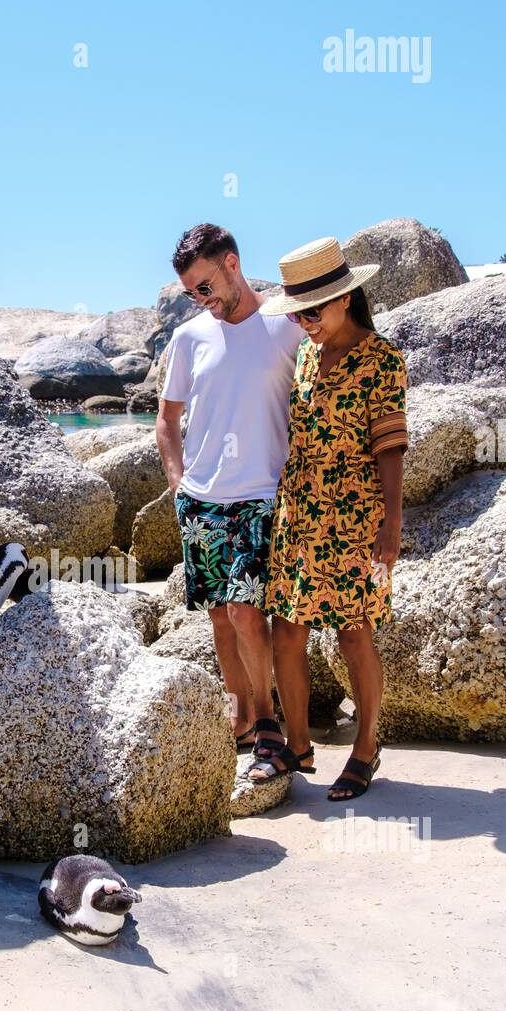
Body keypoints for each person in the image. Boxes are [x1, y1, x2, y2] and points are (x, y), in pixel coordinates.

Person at [248, 236, 409, 800]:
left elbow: (390, 445)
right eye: (297, 314)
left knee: (353, 630)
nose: (304, 323)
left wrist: (392, 524)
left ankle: (365, 747)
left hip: (356, 513)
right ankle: (298, 745)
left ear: (345, 298)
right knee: (287, 629)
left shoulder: (381, 358)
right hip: (298, 511)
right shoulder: (308, 354)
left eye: (312, 312)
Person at [156, 223, 306, 765]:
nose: (201, 299)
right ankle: (241, 718)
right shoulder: (189, 338)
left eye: (205, 286)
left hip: (264, 495)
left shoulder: (287, 324)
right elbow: (167, 420)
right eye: (191, 292)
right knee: (220, 616)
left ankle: (266, 721)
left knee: (245, 610)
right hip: (201, 500)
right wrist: (178, 484)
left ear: (233, 264)